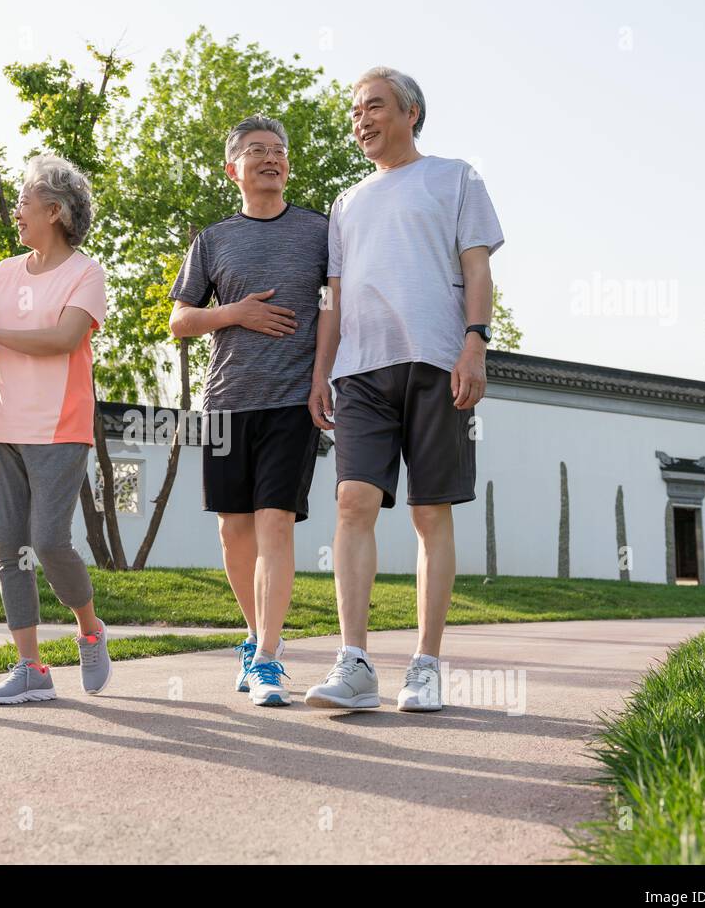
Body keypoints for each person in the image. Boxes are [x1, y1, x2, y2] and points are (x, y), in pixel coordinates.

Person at [305, 67, 504, 712]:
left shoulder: (455, 177)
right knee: (353, 501)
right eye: (355, 111)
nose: (361, 120)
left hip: (438, 360)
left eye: (375, 107)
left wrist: (475, 341)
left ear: (411, 112)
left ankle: (425, 664)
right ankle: (355, 663)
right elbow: (331, 296)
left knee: (427, 512)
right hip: (361, 369)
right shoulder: (346, 202)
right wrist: (321, 371)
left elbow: (477, 266)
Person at [0, 154, 111, 704]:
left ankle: (90, 627)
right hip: (3, 423)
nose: (16, 210)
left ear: (54, 210)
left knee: (50, 541)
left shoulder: (86, 273)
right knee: (11, 549)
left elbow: (62, 340)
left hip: (59, 427)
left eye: (25, 201)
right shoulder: (4, 273)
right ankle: (32, 666)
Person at [169, 116, 328, 707]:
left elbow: (336, 302)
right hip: (227, 401)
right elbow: (180, 321)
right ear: (233, 167)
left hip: (292, 401)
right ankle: (254, 637)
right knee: (234, 531)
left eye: (280, 151)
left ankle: (268, 658)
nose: (272, 159)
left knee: (275, 523)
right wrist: (234, 313)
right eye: (257, 151)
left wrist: (322, 377)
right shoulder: (214, 239)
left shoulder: (319, 231)